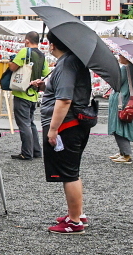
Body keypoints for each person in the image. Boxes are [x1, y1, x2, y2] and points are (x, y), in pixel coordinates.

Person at [32, 31, 93, 234]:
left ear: (52, 45)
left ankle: (74, 221)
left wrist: (53, 129)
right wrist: (45, 86)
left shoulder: (67, 64)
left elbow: (65, 99)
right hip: (74, 123)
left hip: (67, 125)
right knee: (72, 170)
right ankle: (77, 213)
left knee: (69, 173)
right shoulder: (73, 61)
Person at [7, 31, 50, 161]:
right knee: (30, 123)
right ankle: (36, 151)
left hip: (22, 92)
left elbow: (13, 68)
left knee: (24, 124)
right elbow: (46, 73)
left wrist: (11, 62)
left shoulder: (25, 52)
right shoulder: (42, 55)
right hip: (33, 94)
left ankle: (26, 153)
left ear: (27, 40)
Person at [108, 54, 133, 164]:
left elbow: (117, 83)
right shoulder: (131, 69)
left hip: (122, 102)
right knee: (121, 126)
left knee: (118, 127)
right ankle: (123, 152)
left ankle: (126, 154)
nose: (119, 57)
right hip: (126, 100)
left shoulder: (125, 69)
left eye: (121, 56)